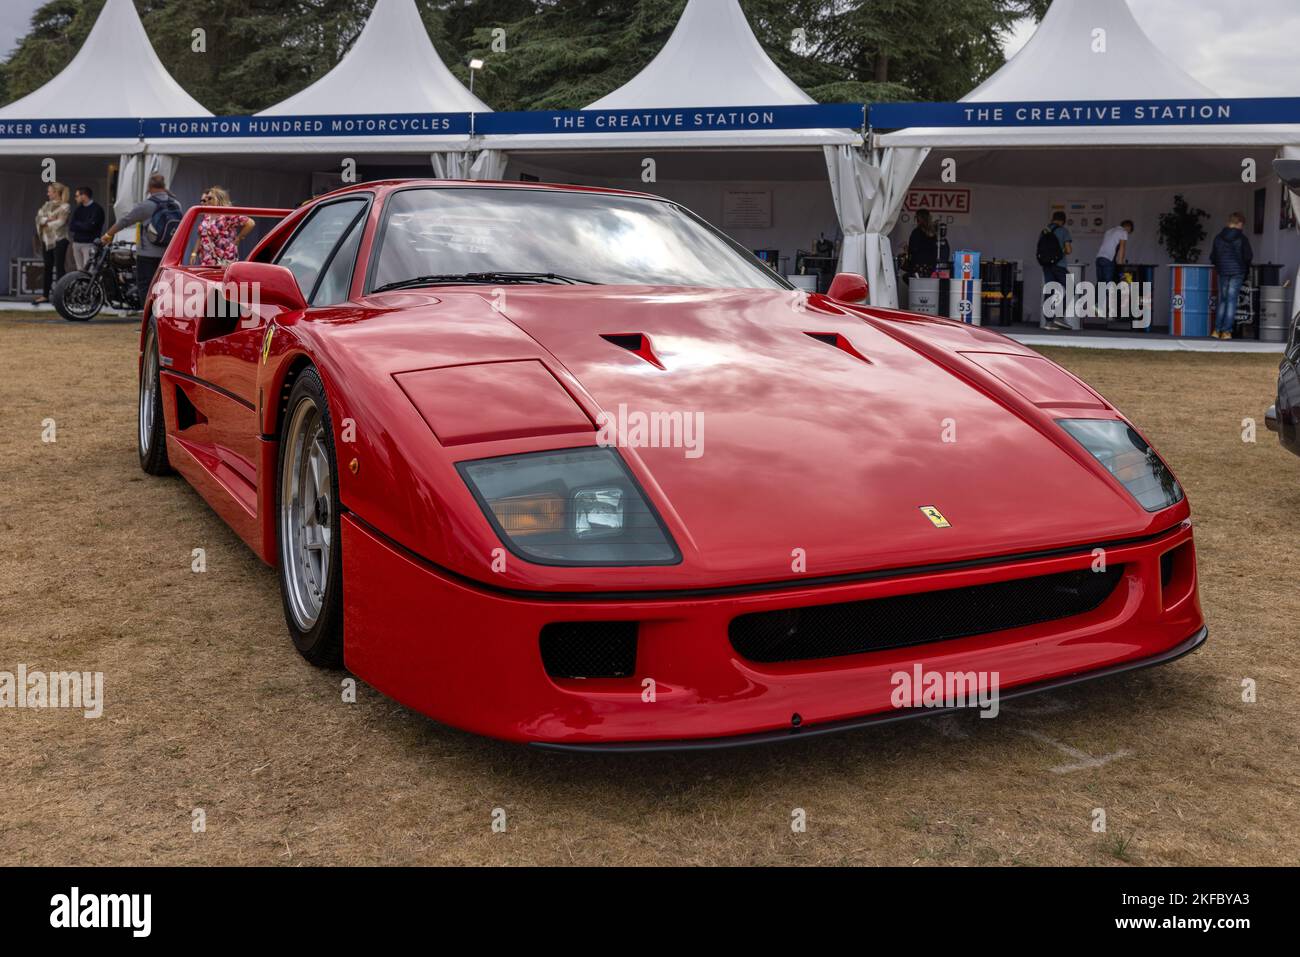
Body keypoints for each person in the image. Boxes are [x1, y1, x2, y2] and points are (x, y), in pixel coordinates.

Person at [102, 173, 181, 301]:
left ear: (149, 188)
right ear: (164, 186)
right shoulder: (176, 204)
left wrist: (107, 235)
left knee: (146, 286)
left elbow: (125, 221)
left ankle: (148, 315)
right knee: (165, 286)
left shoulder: (146, 205)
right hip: (168, 254)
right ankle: (162, 314)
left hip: (147, 254)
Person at [1210, 212, 1253, 341]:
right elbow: (1248, 256)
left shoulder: (1218, 237)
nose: (1242, 227)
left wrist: (1219, 266)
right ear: (1239, 223)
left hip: (1223, 271)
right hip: (1237, 271)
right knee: (1231, 300)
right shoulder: (1242, 238)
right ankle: (1227, 332)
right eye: (1242, 225)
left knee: (1222, 300)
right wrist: (1246, 267)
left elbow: (1213, 257)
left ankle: (1216, 331)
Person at [190, 186, 254, 267]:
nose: (207, 201)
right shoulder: (207, 216)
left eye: (210, 198)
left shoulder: (227, 214)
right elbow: (201, 236)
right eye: (206, 199)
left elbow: (250, 223)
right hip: (206, 260)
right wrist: (194, 253)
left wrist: (239, 238)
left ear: (218, 199)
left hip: (223, 260)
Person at [34, 182, 71, 304]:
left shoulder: (65, 206)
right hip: (47, 240)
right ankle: (45, 295)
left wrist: (46, 222)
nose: (47, 193)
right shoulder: (46, 205)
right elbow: (38, 218)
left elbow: (61, 223)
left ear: (55, 193)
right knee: (47, 267)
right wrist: (47, 219)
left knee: (60, 267)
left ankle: (61, 296)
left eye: (49, 191)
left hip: (60, 240)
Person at [1036, 210, 1073, 329]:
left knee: (1050, 290)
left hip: (1046, 265)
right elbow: (1068, 250)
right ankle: (1060, 316)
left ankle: (1048, 322)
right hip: (1059, 265)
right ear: (1063, 220)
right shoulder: (1063, 231)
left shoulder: (1044, 231)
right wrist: (1060, 252)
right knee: (1071, 287)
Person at [69, 186, 106, 272]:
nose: (75, 198)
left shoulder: (97, 209)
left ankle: (89, 285)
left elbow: (91, 227)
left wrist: (79, 225)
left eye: (77, 196)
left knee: (89, 270)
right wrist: (84, 225)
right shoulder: (78, 209)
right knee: (79, 270)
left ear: (84, 196)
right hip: (76, 243)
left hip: (89, 243)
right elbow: (71, 226)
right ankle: (81, 285)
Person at [907, 208, 949, 278]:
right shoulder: (936, 233)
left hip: (919, 267)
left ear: (918, 219)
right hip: (933, 267)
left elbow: (913, 249)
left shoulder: (916, 232)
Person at [1096, 220, 1133, 284]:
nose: (1128, 234)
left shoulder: (1109, 231)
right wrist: (1121, 265)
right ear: (1128, 227)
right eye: (1129, 232)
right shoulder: (1123, 231)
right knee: (1108, 284)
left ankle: (1098, 294)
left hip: (1099, 258)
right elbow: (1122, 248)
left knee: (1100, 284)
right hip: (1108, 259)